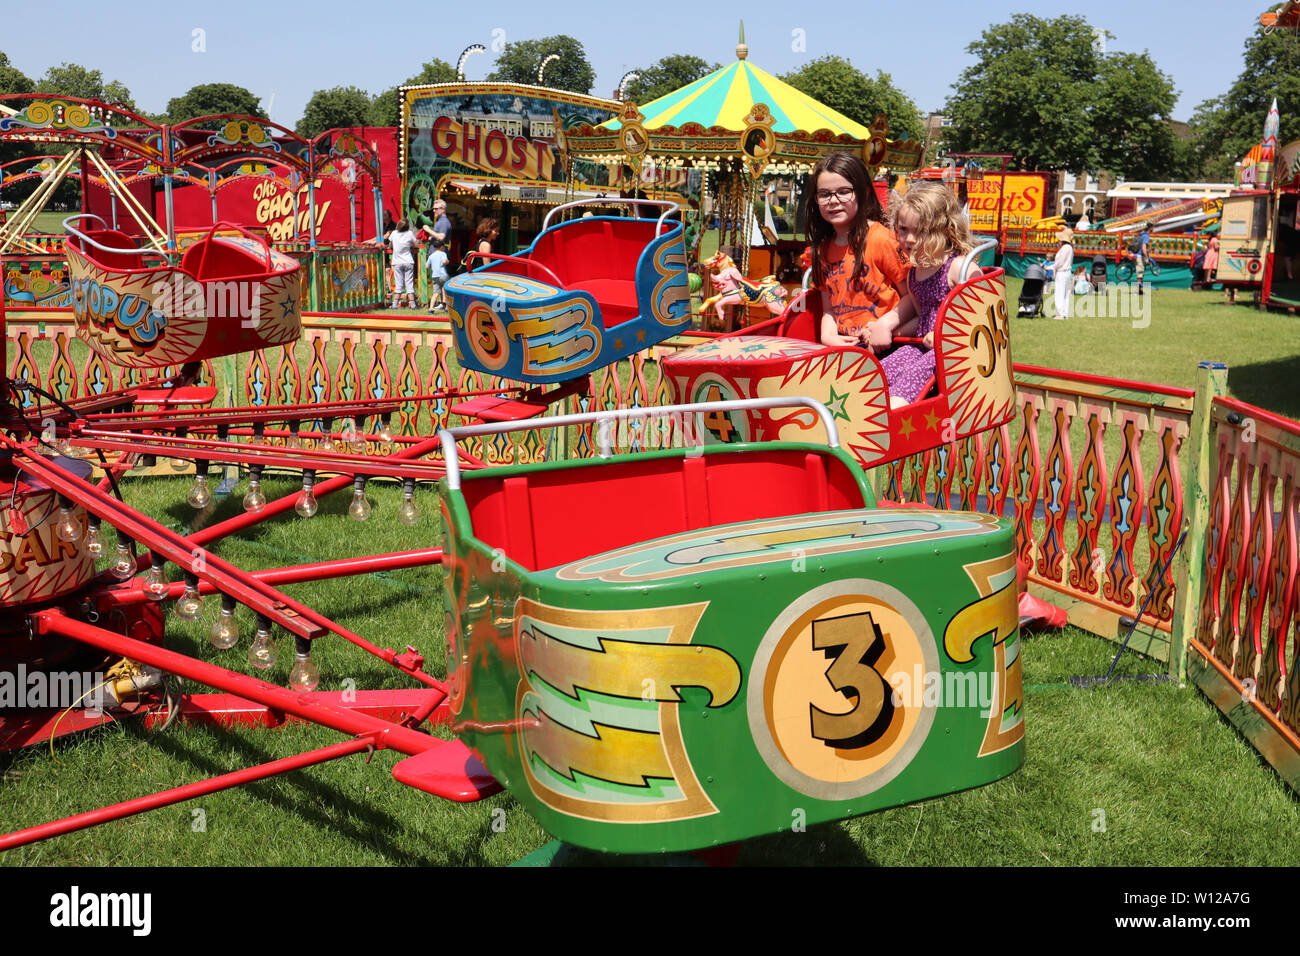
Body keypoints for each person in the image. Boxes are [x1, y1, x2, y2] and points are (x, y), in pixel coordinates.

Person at [866, 182, 975, 406]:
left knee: (912, 378)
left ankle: (895, 413)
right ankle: (868, 407)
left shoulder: (959, 268)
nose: (909, 239)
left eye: (920, 231)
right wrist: (886, 327)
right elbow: (921, 317)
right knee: (878, 374)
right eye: (903, 229)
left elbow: (979, 316)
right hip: (921, 347)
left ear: (945, 230)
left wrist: (945, 335)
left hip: (951, 354)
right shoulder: (914, 274)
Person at [802, 151, 907, 348]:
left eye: (843, 192)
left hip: (887, 344)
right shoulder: (821, 251)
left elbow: (912, 297)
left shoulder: (881, 239)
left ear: (863, 193)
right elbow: (829, 309)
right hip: (845, 347)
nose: (833, 200)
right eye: (824, 194)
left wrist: (884, 326)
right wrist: (828, 336)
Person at [387, 218, 419, 309]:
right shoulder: (409, 233)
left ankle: (395, 304)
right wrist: (411, 245)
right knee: (409, 283)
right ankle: (413, 304)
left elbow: (390, 245)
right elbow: (416, 245)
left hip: (397, 261)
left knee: (399, 283)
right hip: (408, 260)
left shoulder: (394, 233)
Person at [1051, 227, 1074, 318]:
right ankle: (1064, 313)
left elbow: (1060, 262)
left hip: (1062, 272)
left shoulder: (1065, 248)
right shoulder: (1070, 248)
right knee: (1066, 294)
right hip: (1067, 272)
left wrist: (1052, 267)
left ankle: (1060, 314)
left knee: (1060, 292)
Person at [427, 238, 449, 314]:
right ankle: (446, 308)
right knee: (445, 290)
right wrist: (446, 262)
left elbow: (427, 266)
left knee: (435, 293)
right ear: (442, 247)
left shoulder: (431, 256)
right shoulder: (443, 253)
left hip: (435, 276)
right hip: (443, 275)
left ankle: (431, 308)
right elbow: (445, 261)